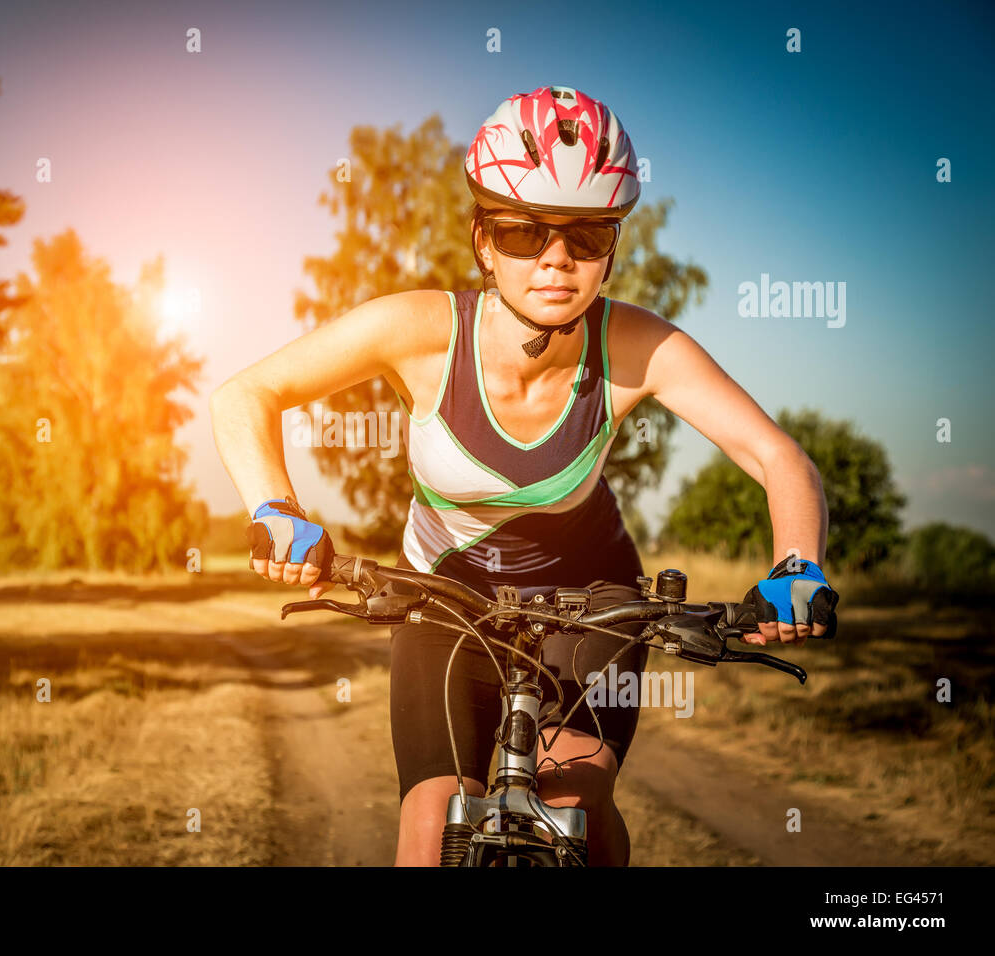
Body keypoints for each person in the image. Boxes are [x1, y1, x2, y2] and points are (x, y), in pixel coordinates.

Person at [210, 85, 838, 867]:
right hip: (441, 595)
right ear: (482, 239)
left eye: (586, 235)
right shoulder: (423, 331)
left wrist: (797, 566)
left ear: (612, 245)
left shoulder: (638, 345)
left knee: (576, 799)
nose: (555, 259)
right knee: (428, 828)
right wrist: (277, 506)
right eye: (523, 231)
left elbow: (777, 456)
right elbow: (246, 394)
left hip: (594, 603)